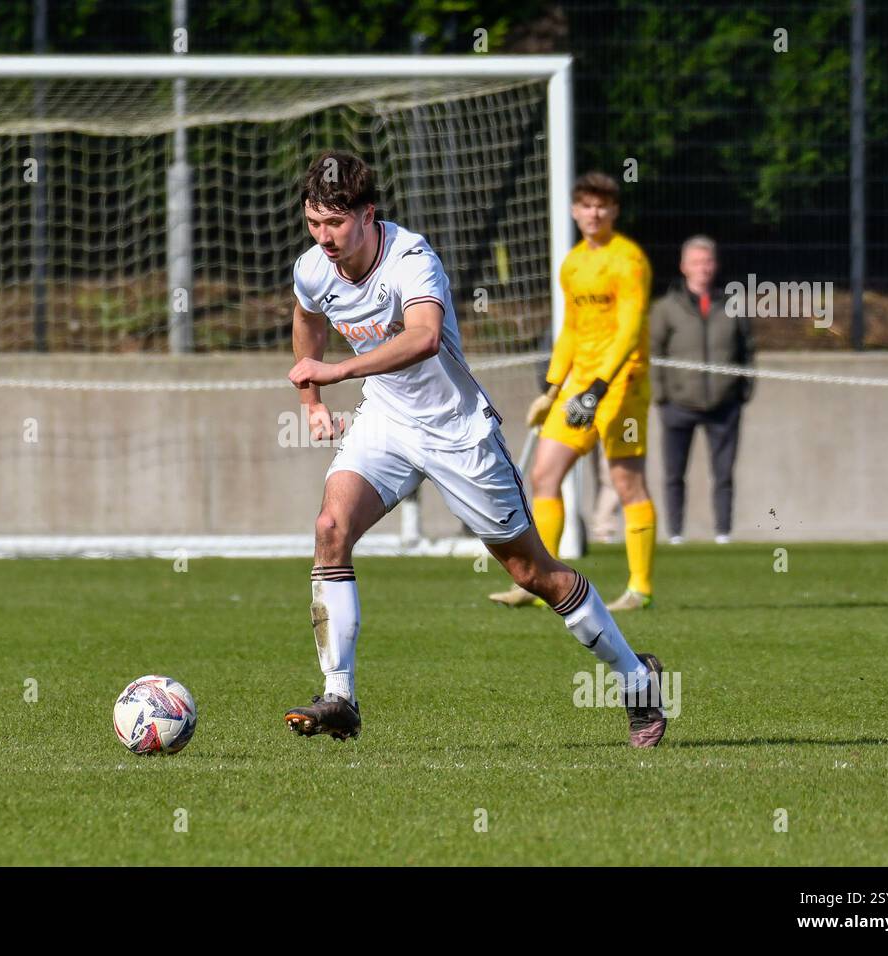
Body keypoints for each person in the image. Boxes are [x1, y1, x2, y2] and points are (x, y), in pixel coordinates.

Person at [284, 151, 667, 747]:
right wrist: (310, 402)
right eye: (314, 222)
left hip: (458, 431)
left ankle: (638, 680)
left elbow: (425, 337)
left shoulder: (412, 259)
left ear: (367, 214)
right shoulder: (313, 267)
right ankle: (340, 695)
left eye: (335, 222)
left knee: (535, 573)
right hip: (386, 420)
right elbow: (307, 318)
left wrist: (335, 373)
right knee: (330, 526)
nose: (324, 237)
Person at [488, 171, 657, 612]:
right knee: (543, 476)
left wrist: (600, 386)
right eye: (585, 204)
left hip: (623, 384)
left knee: (626, 482)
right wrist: (552, 388)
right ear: (574, 210)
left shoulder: (629, 260)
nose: (593, 212)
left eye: (602, 205)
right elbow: (570, 332)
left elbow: (630, 328)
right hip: (579, 386)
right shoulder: (573, 263)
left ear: (614, 211)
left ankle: (640, 588)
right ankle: (539, 583)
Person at [650, 235, 755, 544]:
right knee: (674, 474)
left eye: (707, 261)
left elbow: (747, 350)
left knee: (723, 473)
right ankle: (676, 533)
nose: (702, 268)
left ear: (715, 265)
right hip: (678, 405)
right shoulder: (667, 308)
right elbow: (654, 352)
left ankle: (723, 532)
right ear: (684, 266)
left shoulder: (732, 306)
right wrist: (662, 397)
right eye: (696, 262)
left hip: (724, 404)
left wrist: (743, 391)